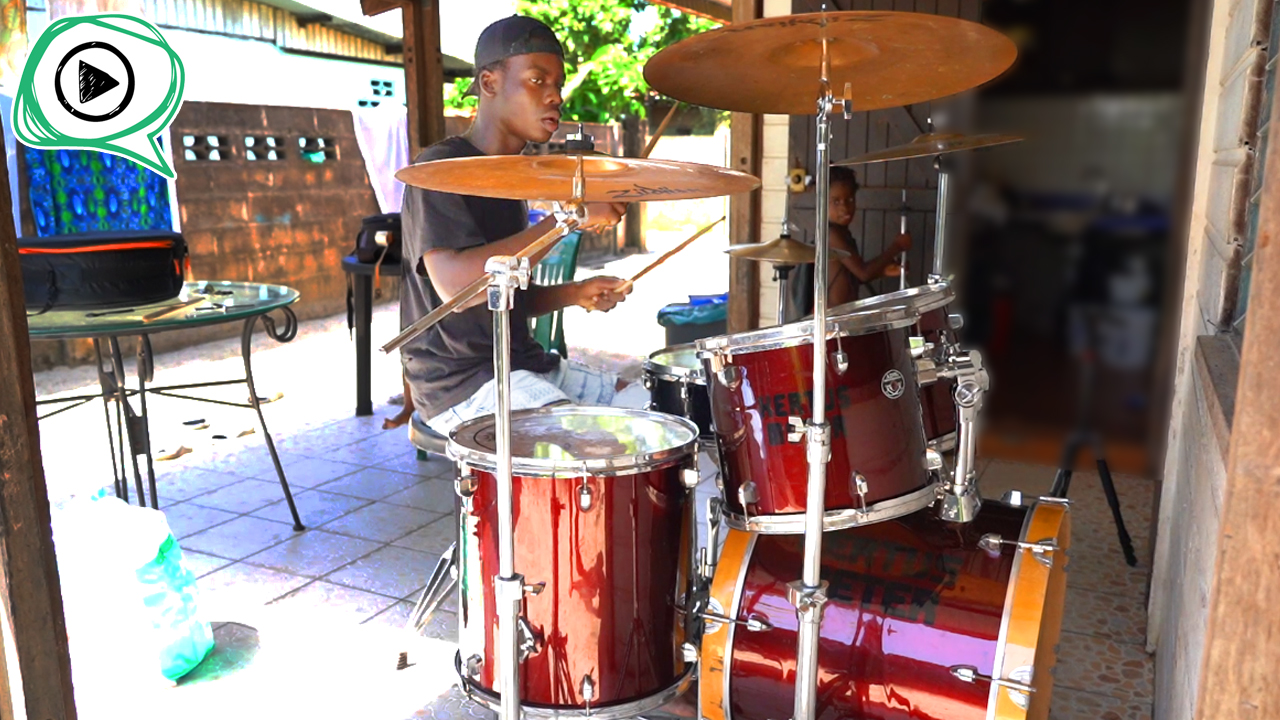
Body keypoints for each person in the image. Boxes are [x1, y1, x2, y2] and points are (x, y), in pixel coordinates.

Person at [400, 15, 638, 437]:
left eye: (558, 84)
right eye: (537, 80)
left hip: (522, 364)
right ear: (489, 84)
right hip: (462, 383)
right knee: (595, 444)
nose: (555, 97)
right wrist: (571, 216)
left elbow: (503, 299)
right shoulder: (440, 170)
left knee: (645, 406)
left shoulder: (512, 177)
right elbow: (457, 290)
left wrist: (574, 294)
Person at [795, 167, 912, 312]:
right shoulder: (832, 235)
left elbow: (851, 277)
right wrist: (897, 246)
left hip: (842, 317)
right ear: (823, 203)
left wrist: (883, 271)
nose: (844, 207)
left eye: (849, 199)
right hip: (831, 322)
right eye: (836, 202)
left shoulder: (842, 233)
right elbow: (863, 273)